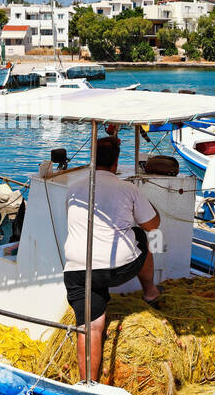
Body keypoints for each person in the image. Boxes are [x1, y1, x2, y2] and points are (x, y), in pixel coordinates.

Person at [63, 135, 161, 382]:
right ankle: (150, 292)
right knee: (142, 236)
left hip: (77, 270)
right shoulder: (127, 188)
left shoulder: (73, 187)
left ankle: (88, 385)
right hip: (118, 269)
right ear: (116, 163)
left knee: (90, 327)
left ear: (91, 160)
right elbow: (153, 224)